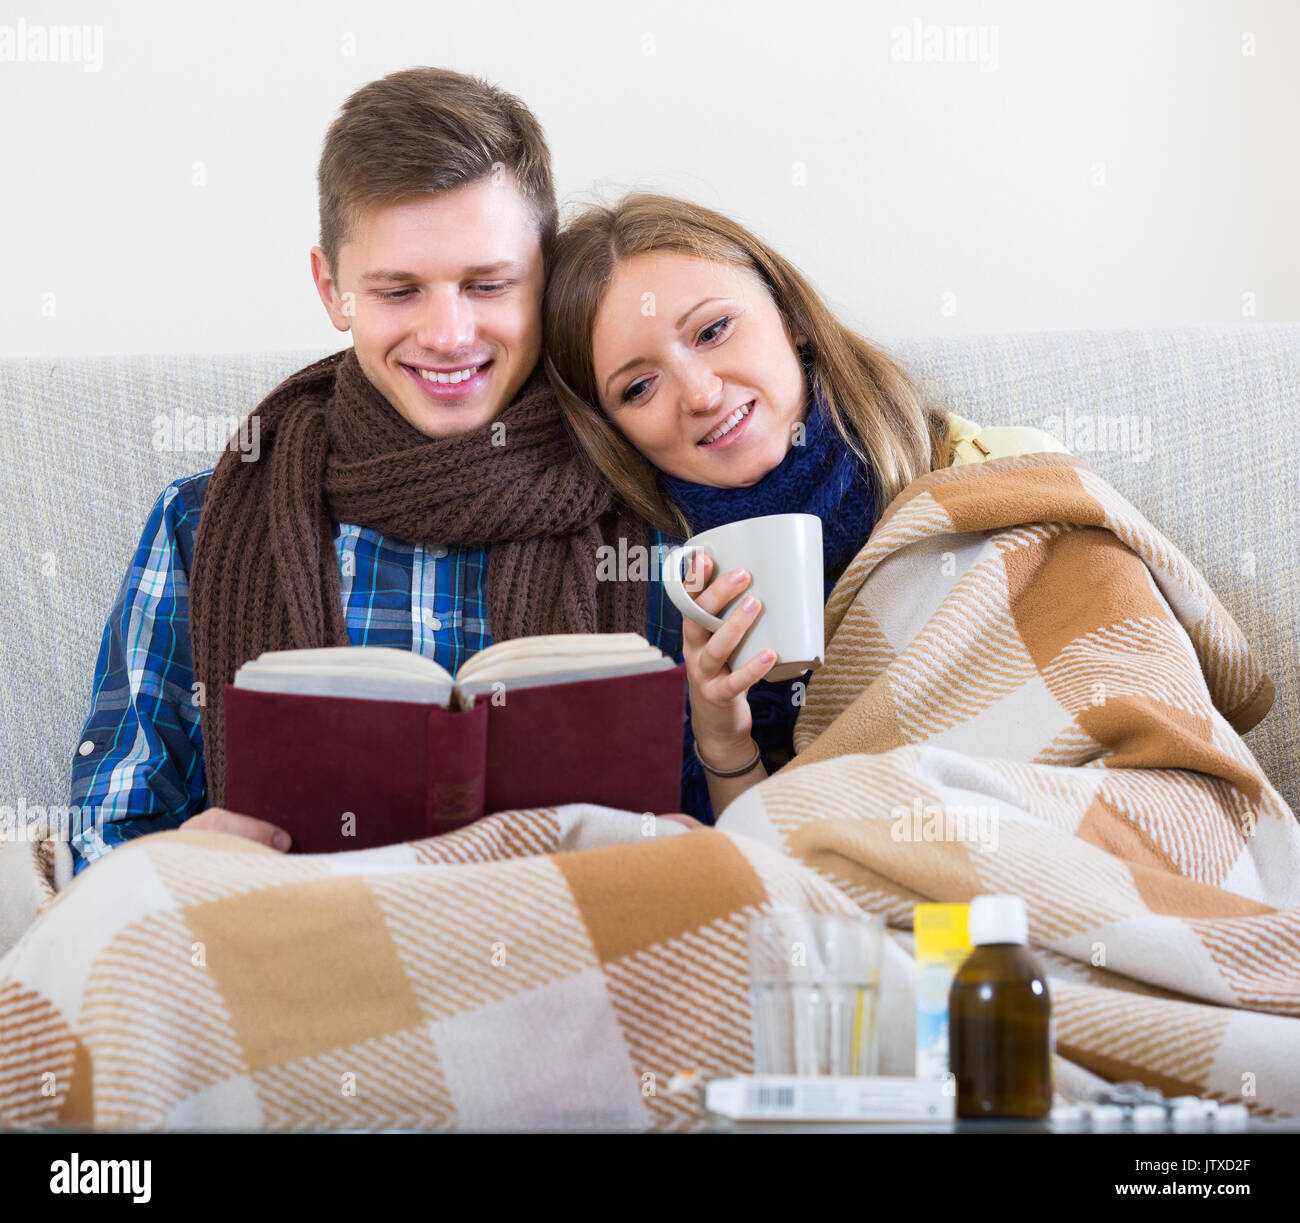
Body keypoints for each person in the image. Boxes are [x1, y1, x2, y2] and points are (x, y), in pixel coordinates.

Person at [67, 70, 687, 874]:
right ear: (333, 291)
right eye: (398, 291)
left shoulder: (642, 501)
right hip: (297, 962)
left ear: (547, 272)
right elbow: (101, 839)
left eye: (488, 284)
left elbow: (740, 813)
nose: (448, 333)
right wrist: (180, 864)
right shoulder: (199, 524)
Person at [544, 193, 1066, 823]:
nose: (701, 394)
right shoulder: (644, 584)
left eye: (713, 331)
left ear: (788, 314)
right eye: (638, 387)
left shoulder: (988, 472)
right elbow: (770, 861)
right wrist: (722, 736)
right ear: (613, 429)